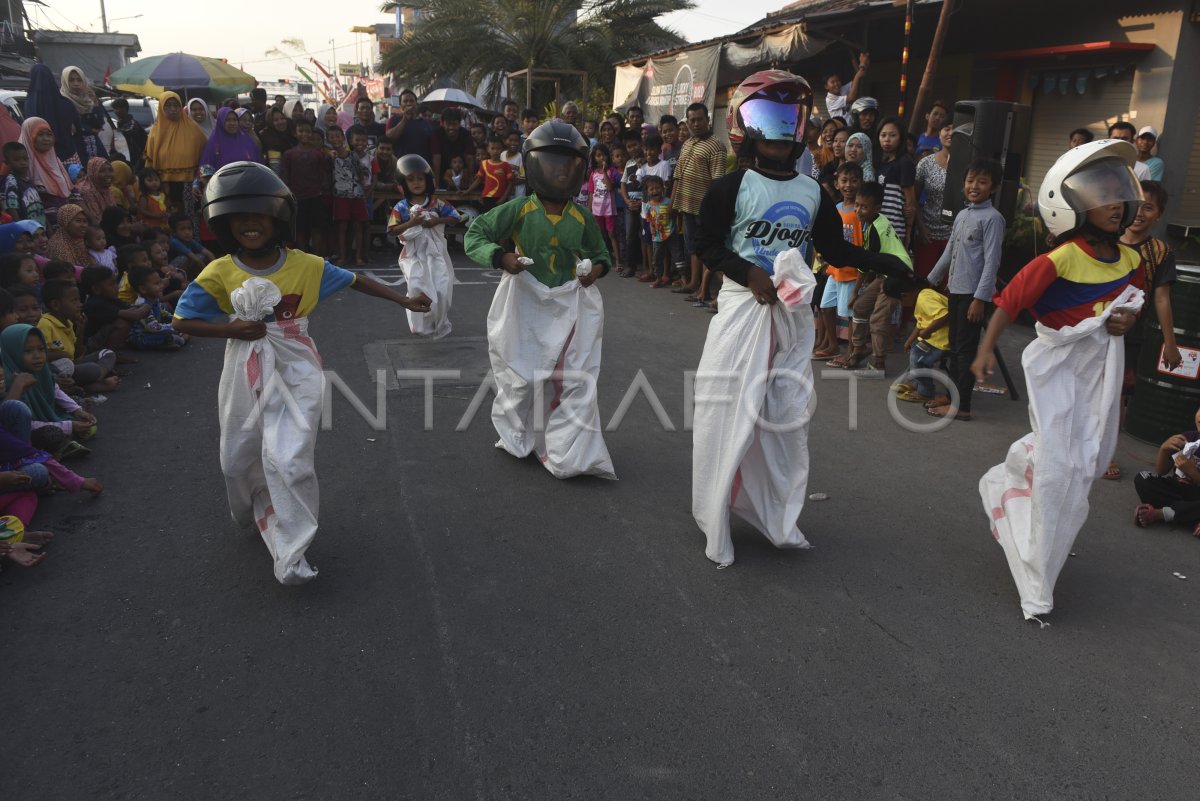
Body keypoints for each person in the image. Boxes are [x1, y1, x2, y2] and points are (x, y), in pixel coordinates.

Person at [171, 162, 430, 584]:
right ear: (223, 223)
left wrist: (403, 300)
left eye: (260, 216)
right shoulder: (218, 271)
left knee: (289, 456)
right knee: (238, 456)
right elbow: (181, 321)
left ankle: (292, 544)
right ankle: (257, 504)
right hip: (242, 368)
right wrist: (229, 329)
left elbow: (355, 280)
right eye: (240, 218)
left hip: (296, 366)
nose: (251, 226)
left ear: (279, 218)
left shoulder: (306, 265)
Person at [691, 69, 909, 567]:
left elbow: (834, 249)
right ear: (746, 124)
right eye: (768, 118)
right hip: (741, 314)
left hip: (789, 321)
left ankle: (774, 516)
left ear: (802, 125)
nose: (780, 131)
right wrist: (749, 273)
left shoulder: (815, 193)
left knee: (783, 423)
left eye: (789, 119)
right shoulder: (732, 186)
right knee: (724, 413)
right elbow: (704, 244)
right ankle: (714, 512)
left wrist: (883, 262)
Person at [973, 139, 1146, 623]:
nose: (1115, 203)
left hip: (1099, 372)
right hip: (1057, 369)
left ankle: (1029, 512)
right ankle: (1036, 573)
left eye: (1119, 192)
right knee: (1057, 464)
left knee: (1085, 464)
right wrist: (986, 350)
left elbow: (1131, 308)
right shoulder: (1061, 258)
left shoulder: (1132, 260)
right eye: (1101, 193)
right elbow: (1009, 300)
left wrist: (1124, 322)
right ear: (1068, 206)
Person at [463, 120, 615, 480]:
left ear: (579, 169)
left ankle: (568, 451)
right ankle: (518, 435)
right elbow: (476, 233)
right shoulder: (519, 210)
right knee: (522, 378)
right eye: (551, 164)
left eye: (568, 166)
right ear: (533, 166)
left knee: (572, 378)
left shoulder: (580, 217)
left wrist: (595, 271)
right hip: (524, 303)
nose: (559, 173)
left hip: (567, 305)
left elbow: (601, 253)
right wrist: (501, 257)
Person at [1105, 180, 1182, 480]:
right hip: (1091, 326)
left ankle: (1107, 453)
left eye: (1148, 207)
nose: (1139, 213)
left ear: (1159, 214)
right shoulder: (1104, 238)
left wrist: (1171, 343)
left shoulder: (1161, 252)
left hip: (1131, 336)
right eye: (1136, 205)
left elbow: (1162, 298)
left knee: (1119, 397)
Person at [841, 182, 913, 374]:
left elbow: (865, 267)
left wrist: (855, 291)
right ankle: (859, 349)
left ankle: (878, 363)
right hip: (885, 274)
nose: (858, 210)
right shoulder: (875, 221)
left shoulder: (875, 229)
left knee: (878, 319)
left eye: (864, 207)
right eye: (857, 204)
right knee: (860, 307)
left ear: (877, 208)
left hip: (898, 276)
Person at [389, 155, 458, 338]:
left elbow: (456, 217)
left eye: (420, 178)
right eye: (411, 179)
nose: (416, 183)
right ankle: (420, 324)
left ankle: (439, 320)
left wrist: (437, 220)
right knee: (417, 286)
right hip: (413, 255)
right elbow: (393, 230)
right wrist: (412, 223)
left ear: (428, 180)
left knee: (442, 287)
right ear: (403, 183)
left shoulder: (437, 203)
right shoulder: (401, 207)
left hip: (437, 254)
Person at [673, 104, 727, 299]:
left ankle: (709, 290)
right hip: (686, 204)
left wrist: (712, 209)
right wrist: (673, 203)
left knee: (706, 247)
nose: (695, 123)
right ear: (687, 122)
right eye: (692, 120)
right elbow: (677, 176)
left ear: (708, 120)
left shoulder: (717, 146)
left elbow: (717, 181)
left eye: (699, 119)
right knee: (692, 246)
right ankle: (694, 283)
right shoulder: (687, 143)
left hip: (705, 208)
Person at [815, 161, 864, 362]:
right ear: (837, 183)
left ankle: (850, 353)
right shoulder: (835, 208)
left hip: (851, 271)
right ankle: (833, 346)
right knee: (825, 307)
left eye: (854, 181)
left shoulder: (860, 212)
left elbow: (862, 244)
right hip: (835, 269)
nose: (848, 185)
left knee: (849, 314)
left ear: (860, 183)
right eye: (844, 181)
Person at [38, 278, 119, 393]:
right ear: (56, 305)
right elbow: (41, 356)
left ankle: (93, 381)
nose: (79, 305)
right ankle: (92, 384)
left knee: (108, 354)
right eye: (74, 301)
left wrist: (81, 330)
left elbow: (78, 355)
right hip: (58, 369)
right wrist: (62, 354)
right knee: (92, 369)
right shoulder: (45, 324)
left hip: (73, 366)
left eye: (79, 300)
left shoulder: (69, 323)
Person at [1134, 407, 1200, 537]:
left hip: (1197, 494)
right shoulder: (1188, 437)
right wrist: (1163, 449)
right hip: (1176, 488)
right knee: (1142, 478)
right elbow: (1160, 471)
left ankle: (1162, 514)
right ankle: (1192, 517)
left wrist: (1192, 472)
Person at [143, 92, 207, 213]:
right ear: (161, 108)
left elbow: (205, 160)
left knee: (189, 223)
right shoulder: (154, 134)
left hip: (190, 187)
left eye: (176, 105)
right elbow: (149, 164)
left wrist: (199, 184)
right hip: (162, 187)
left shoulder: (194, 131)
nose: (173, 109)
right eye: (168, 106)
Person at [281, 119, 332, 256]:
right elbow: (286, 176)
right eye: (301, 131)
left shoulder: (319, 154)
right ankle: (303, 257)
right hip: (297, 198)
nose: (304, 134)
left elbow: (324, 175)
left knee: (317, 229)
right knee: (301, 230)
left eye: (308, 131)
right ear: (295, 133)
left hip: (316, 196)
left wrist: (323, 192)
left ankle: (317, 256)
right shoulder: (289, 154)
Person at [894, 280, 950, 403]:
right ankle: (916, 383)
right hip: (934, 337)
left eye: (900, 302)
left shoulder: (924, 298)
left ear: (905, 295)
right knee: (915, 350)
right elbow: (920, 324)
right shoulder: (921, 297)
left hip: (941, 339)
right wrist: (910, 339)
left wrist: (927, 331)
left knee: (918, 358)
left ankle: (925, 392)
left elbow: (944, 315)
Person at [913, 123, 954, 278]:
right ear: (939, 133)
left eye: (955, 129)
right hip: (927, 234)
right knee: (923, 282)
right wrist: (921, 228)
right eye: (947, 128)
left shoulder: (967, 163)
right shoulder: (926, 163)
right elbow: (913, 199)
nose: (951, 133)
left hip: (954, 236)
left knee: (946, 286)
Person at [17, 118, 72, 223]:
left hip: (67, 220)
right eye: (40, 135)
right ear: (29, 136)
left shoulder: (56, 162)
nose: (46, 139)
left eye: (49, 134)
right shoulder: (20, 164)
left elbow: (70, 191)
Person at [328, 126, 369, 266]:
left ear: (344, 138)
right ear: (327, 140)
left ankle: (358, 257)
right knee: (342, 227)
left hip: (356, 195)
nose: (335, 139)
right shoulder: (329, 157)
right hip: (340, 196)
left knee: (358, 226)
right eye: (332, 137)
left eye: (338, 136)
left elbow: (362, 173)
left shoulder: (353, 155)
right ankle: (342, 256)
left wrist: (362, 190)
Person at [80, 265, 146, 351]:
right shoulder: (95, 303)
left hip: (99, 337)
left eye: (115, 283)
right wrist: (148, 304)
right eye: (112, 284)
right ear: (96, 289)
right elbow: (135, 315)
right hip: (88, 344)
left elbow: (131, 308)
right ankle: (109, 354)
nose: (117, 287)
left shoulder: (110, 298)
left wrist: (140, 308)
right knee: (122, 323)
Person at [24, 65, 81, 164]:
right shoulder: (66, 103)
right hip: (68, 156)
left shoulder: (30, 104)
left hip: (42, 159)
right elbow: (78, 129)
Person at [581, 143, 621, 274]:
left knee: (612, 234)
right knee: (601, 234)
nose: (601, 157)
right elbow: (591, 192)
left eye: (603, 154)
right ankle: (603, 259)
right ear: (594, 158)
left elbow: (610, 188)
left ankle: (618, 261)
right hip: (597, 209)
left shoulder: (611, 171)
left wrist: (605, 173)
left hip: (608, 208)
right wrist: (589, 209)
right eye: (598, 155)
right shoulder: (592, 174)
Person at [876, 115, 916, 245]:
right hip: (879, 226)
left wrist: (908, 232)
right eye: (883, 135)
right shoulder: (883, 163)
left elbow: (910, 201)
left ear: (901, 138)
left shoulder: (904, 162)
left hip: (895, 229)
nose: (887, 139)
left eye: (892, 135)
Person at [639, 175, 684, 288]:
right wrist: (652, 228)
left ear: (663, 189)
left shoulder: (668, 202)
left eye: (658, 188)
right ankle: (658, 278)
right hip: (658, 236)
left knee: (677, 256)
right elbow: (650, 219)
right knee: (657, 258)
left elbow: (677, 215)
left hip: (671, 233)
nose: (655, 191)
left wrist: (679, 227)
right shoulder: (648, 205)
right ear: (648, 192)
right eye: (652, 189)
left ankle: (684, 278)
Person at [200, 107, 263, 180]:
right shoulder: (214, 142)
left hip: (248, 185)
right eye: (228, 120)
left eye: (235, 120)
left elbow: (258, 163)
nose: (232, 123)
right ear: (221, 121)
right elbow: (206, 171)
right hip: (223, 188)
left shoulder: (246, 139)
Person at [465, 135, 516, 212]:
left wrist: (504, 198)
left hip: (501, 198)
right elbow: (478, 180)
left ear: (502, 149)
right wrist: (467, 191)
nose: (495, 151)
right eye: (492, 148)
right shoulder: (484, 164)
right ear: (488, 149)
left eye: (498, 149)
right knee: (489, 220)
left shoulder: (505, 165)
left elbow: (510, 183)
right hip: (487, 198)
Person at [3, 141, 47, 227]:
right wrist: (21, 228)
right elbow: (11, 208)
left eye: (25, 159)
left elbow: (40, 207)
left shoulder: (29, 181)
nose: (23, 162)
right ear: (7, 163)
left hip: (40, 228)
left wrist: (48, 227)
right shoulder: (11, 180)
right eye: (17, 160)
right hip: (28, 229)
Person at [385, 90, 435, 163]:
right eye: (405, 101)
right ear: (400, 104)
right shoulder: (394, 120)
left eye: (411, 101)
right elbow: (390, 138)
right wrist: (405, 119)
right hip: (401, 166)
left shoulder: (425, 123)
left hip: (421, 167)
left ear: (416, 104)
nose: (409, 104)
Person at [431, 108, 472, 189]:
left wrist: (471, 179)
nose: (451, 128)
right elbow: (436, 157)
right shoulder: (436, 134)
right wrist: (436, 182)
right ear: (442, 123)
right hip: (442, 170)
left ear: (459, 123)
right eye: (448, 124)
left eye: (454, 124)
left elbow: (470, 157)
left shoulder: (466, 134)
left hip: (461, 171)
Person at [824, 53, 869, 122]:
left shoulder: (841, 89)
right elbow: (851, 98)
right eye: (832, 82)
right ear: (826, 86)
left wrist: (863, 65)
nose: (836, 84)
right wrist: (861, 68)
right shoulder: (830, 99)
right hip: (843, 129)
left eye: (838, 81)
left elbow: (857, 81)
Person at [167, 212, 213, 277]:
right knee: (185, 258)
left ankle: (193, 276)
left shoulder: (190, 241)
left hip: (185, 267)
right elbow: (196, 260)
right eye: (182, 229)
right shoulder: (174, 241)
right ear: (174, 232)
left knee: (202, 256)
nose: (187, 232)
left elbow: (209, 253)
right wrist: (209, 274)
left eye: (189, 229)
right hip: (172, 269)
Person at [74, 157, 116, 225]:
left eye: (110, 170)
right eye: (102, 171)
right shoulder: (86, 191)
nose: (108, 174)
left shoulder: (105, 188)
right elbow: (97, 222)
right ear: (92, 172)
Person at [110, 98, 147, 168]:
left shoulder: (133, 125)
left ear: (126, 109)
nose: (117, 111)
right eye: (115, 108)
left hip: (135, 160)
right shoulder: (117, 125)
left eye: (120, 108)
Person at [259, 108, 296, 176]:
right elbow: (276, 168)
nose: (280, 122)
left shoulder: (290, 133)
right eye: (276, 120)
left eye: (282, 118)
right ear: (270, 122)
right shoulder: (271, 142)